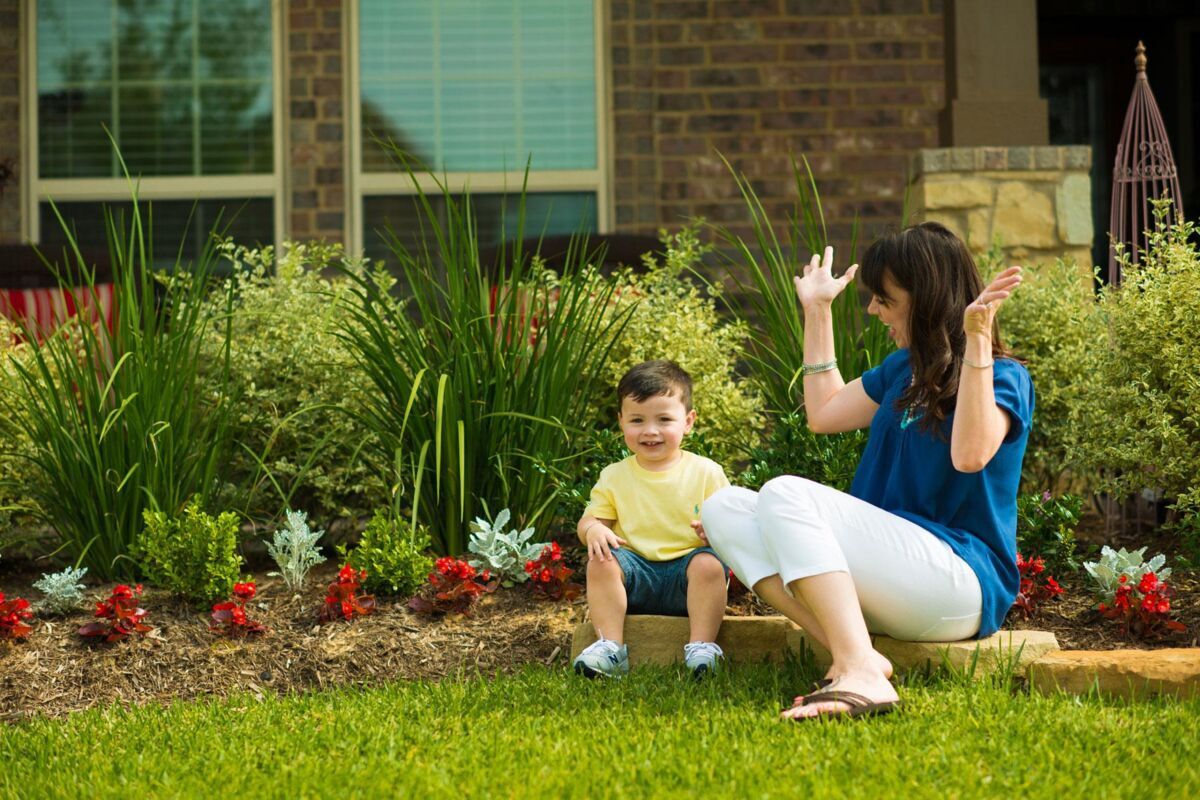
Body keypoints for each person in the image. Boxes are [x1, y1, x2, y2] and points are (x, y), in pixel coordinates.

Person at [701, 222, 1033, 720]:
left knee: (784, 492)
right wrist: (817, 311)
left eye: (885, 298)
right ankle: (854, 653)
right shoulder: (905, 370)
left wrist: (978, 338)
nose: (874, 310)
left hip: (960, 583)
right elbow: (825, 413)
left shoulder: (1006, 377)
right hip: (892, 582)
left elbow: (970, 455)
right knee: (724, 508)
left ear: (925, 298)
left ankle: (861, 672)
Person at [572, 359, 731, 679]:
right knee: (601, 560)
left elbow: (733, 522)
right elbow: (592, 519)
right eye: (637, 420)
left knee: (709, 564)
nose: (650, 430)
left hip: (688, 579)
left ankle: (702, 649)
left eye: (664, 419)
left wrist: (715, 532)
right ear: (621, 422)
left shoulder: (706, 472)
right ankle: (610, 648)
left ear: (688, 421)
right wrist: (592, 531)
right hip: (634, 576)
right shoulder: (615, 476)